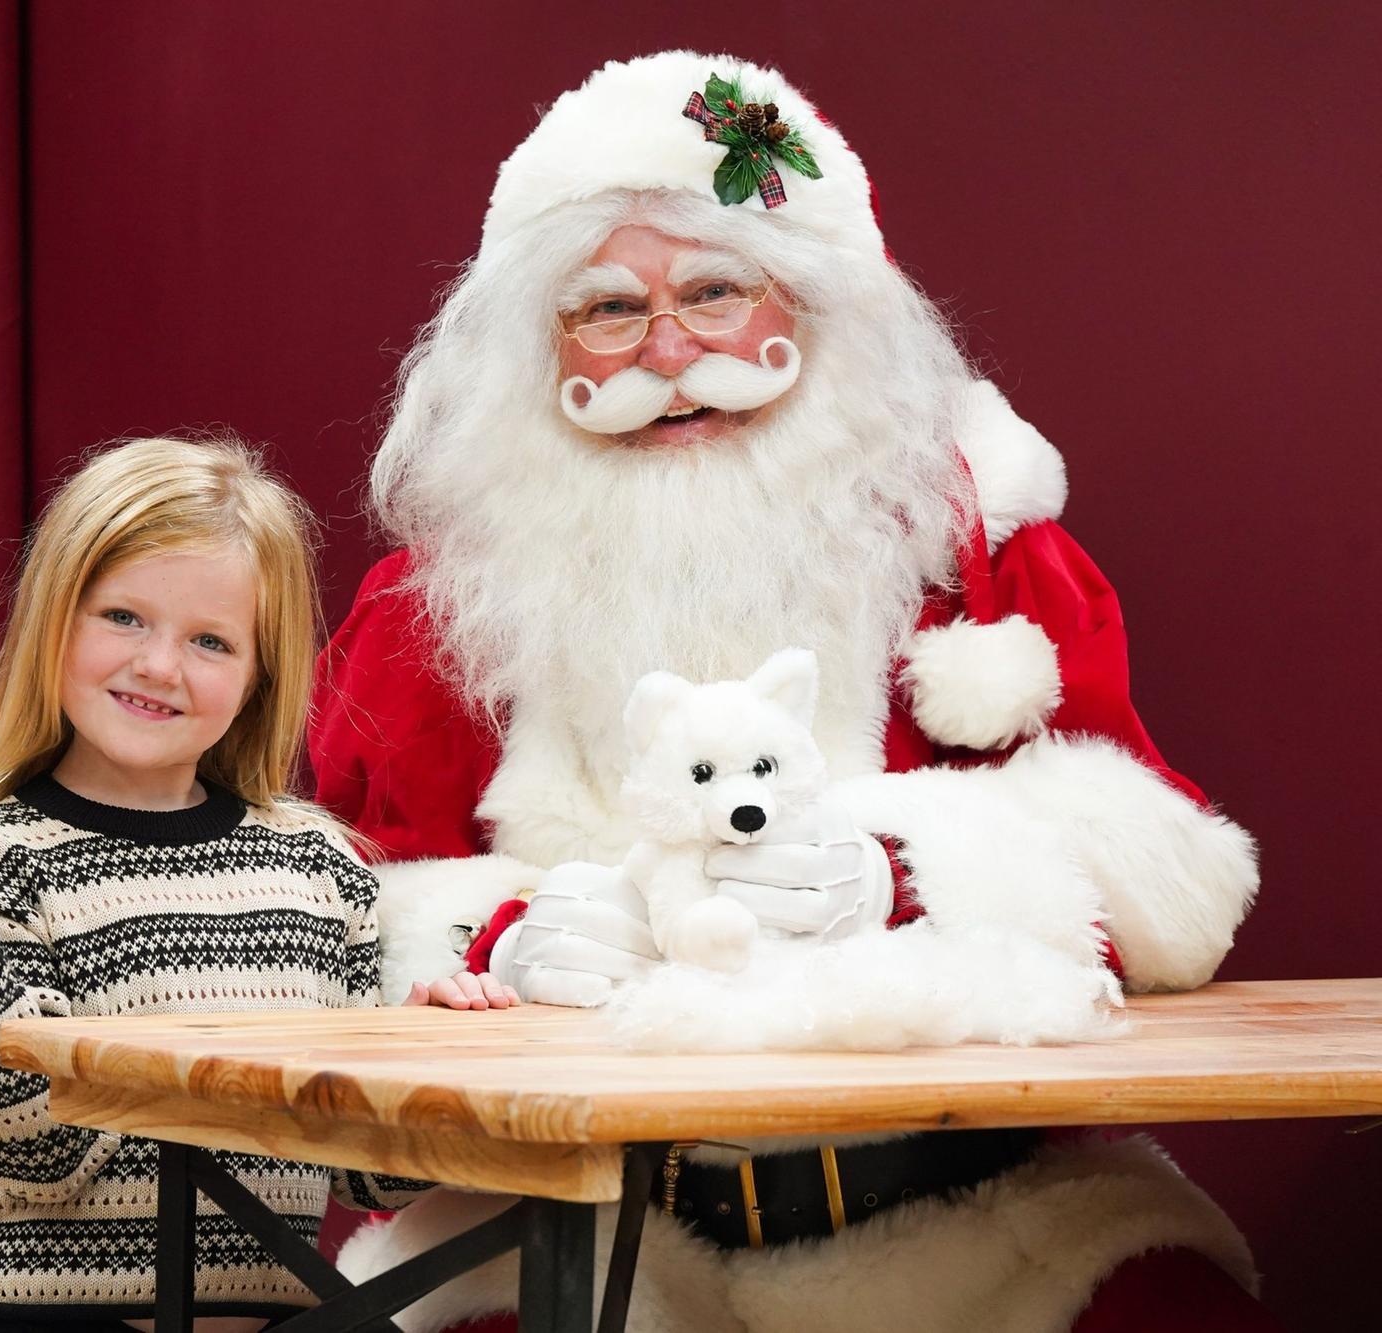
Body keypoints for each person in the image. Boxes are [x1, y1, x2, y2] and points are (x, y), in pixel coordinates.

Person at [312, 53, 1273, 1331]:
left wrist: (911, 874)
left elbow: (1178, 907)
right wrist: (491, 951)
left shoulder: (979, 551)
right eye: (604, 308)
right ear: (534, 353)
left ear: (819, 308)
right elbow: (332, 924)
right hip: (592, 1227)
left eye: (713, 290)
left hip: (970, 1212)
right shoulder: (433, 612)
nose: (665, 350)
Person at [0, 436, 515, 1333]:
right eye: (124, 618)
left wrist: (431, 1056)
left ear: (260, 674)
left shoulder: (318, 867)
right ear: (54, 618)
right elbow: (37, 1151)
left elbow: (363, 1170)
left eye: (210, 640)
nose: (158, 666)